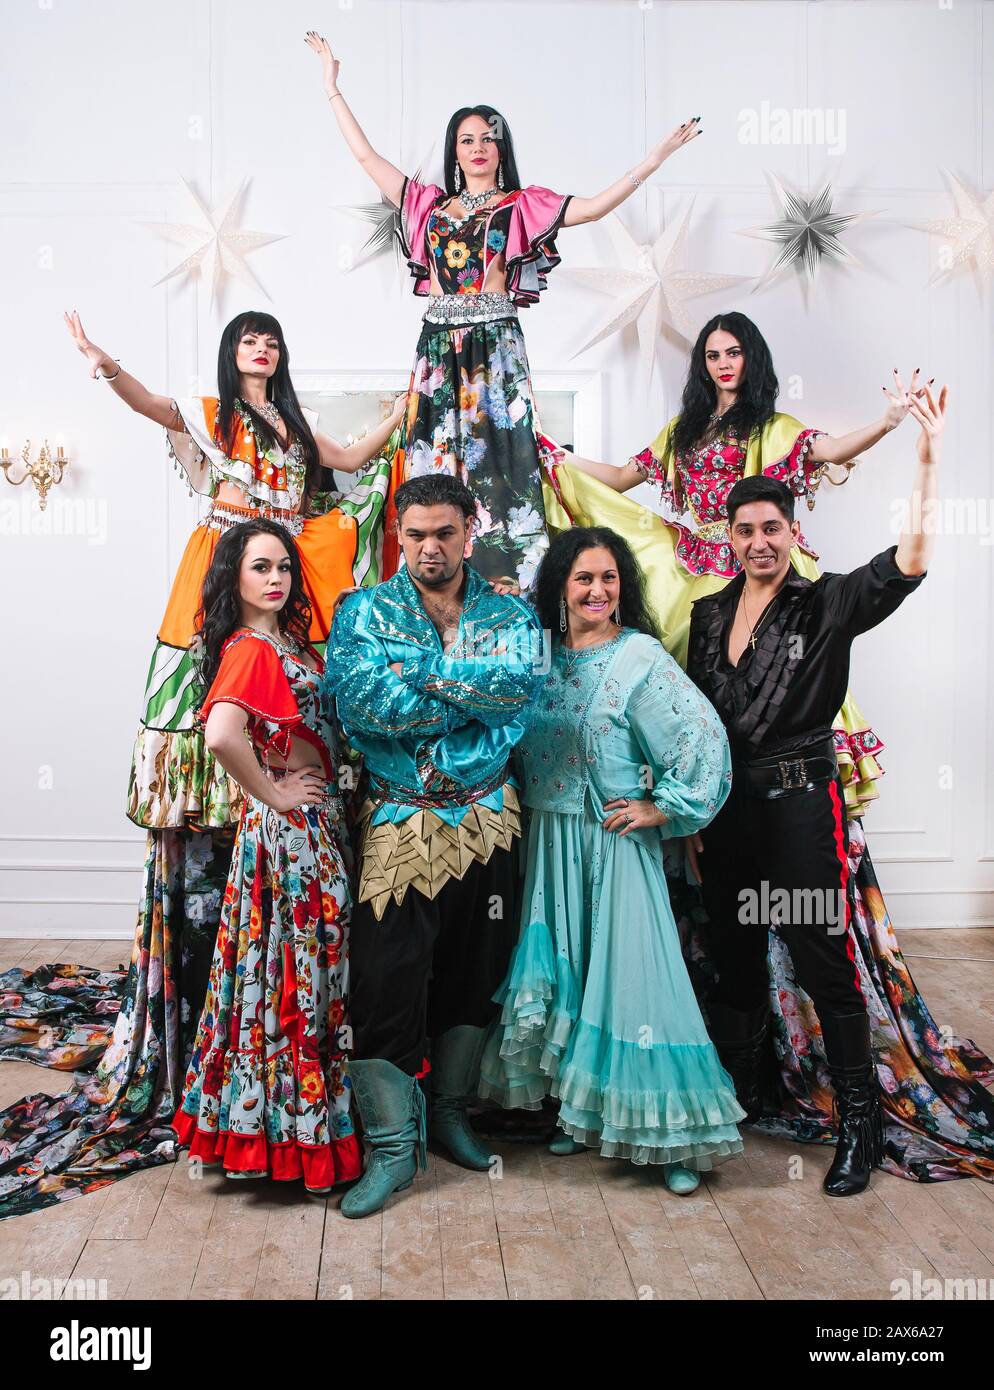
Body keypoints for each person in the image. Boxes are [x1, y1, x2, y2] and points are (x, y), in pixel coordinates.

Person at [0, 312, 399, 1221]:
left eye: (271, 341)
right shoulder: (220, 425)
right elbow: (162, 410)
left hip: (301, 821)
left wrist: (409, 409)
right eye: (248, 340)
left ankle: (277, 1118)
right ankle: (279, 1121)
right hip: (279, 819)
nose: (261, 352)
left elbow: (348, 451)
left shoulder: (297, 438)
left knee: (290, 969)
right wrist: (109, 370)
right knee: (281, 967)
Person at [306, 29, 700, 589]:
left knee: (507, 463)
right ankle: (431, 587)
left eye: (488, 138)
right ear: (456, 150)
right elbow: (367, 156)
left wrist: (653, 161)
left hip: (494, 344)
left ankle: (509, 585)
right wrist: (332, 86)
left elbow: (587, 211)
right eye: (467, 139)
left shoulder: (520, 204)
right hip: (439, 347)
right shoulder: (428, 206)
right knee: (434, 461)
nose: (478, 146)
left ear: (500, 147)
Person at [686, 385, 948, 1197]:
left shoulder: (828, 601)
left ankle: (859, 1129)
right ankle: (738, 1098)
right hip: (727, 818)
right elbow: (697, 723)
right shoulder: (706, 613)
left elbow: (911, 561)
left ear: (792, 534)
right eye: (746, 529)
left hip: (802, 811)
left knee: (821, 962)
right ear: (726, 537)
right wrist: (692, 816)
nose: (760, 540)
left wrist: (929, 458)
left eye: (773, 527)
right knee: (730, 958)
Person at [546, 311, 917, 814]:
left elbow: (827, 449)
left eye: (733, 353)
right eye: (713, 355)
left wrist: (888, 422)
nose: (723, 364)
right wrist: (551, 454)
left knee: (789, 666)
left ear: (751, 358)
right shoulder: (683, 429)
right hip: (694, 564)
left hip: (756, 560)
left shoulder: (773, 427)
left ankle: (785, 786)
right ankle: (684, 785)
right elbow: (616, 476)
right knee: (674, 652)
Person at [478, 529, 744, 1193]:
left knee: (636, 983)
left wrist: (663, 808)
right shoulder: (536, 657)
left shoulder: (639, 658)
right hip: (548, 839)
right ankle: (581, 1109)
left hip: (614, 839)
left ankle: (673, 1138)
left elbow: (701, 735)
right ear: (560, 587)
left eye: (608, 578)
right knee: (571, 977)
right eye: (582, 579)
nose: (597, 591)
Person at [324, 474, 544, 1217]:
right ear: (399, 533)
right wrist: (463, 691)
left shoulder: (510, 614)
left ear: (469, 531)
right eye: (415, 534)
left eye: (443, 533)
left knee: (474, 973)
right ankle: (391, 1148)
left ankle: (450, 1117)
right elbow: (362, 707)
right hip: (397, 824)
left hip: (489, 822)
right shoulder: (362, 611)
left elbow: (517, 696)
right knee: (384, 986)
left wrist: (417, 673)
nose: (428, 548)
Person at [171, 520, 361, 1192]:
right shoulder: (251, 646)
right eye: (260, 567)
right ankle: (294, 1141)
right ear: (235, 575)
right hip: (292, 832)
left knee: (296, 968)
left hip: (310, 824)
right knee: (298, 971)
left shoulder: (287, 641)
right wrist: (275, 795)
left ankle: (279, 1132)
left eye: (283, 566)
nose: (276, 578)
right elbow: (223, 733)